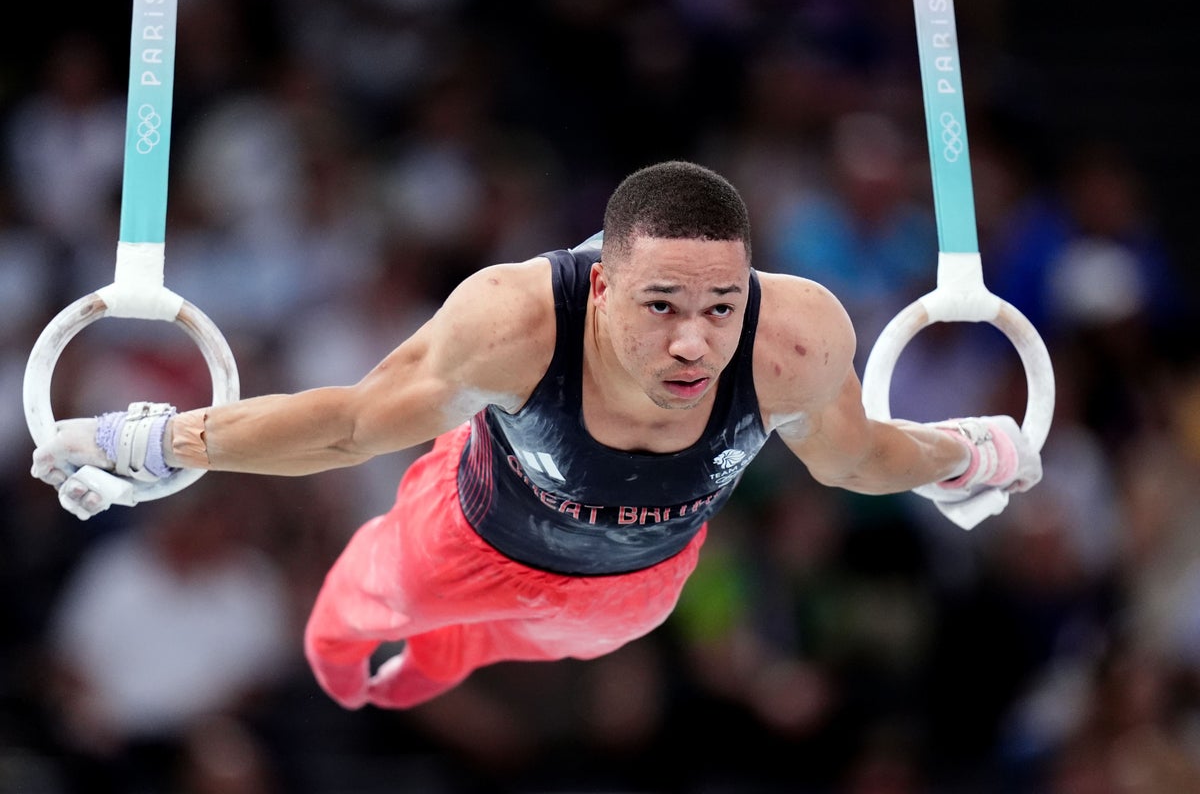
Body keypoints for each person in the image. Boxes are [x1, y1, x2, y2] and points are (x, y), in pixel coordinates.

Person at [31, 160, 1042, 710]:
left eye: (721, 305)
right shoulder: (515, 323)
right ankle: (383, 656)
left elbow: (855, 455)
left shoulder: (795, 338)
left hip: (638, 590)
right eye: (660, 304)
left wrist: (971, 453)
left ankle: (448, 654)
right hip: (456, 546)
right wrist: (156, 439)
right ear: (601, 285)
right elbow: (345, 424)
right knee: (348, 634)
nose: (695, 342)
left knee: (542, 641)